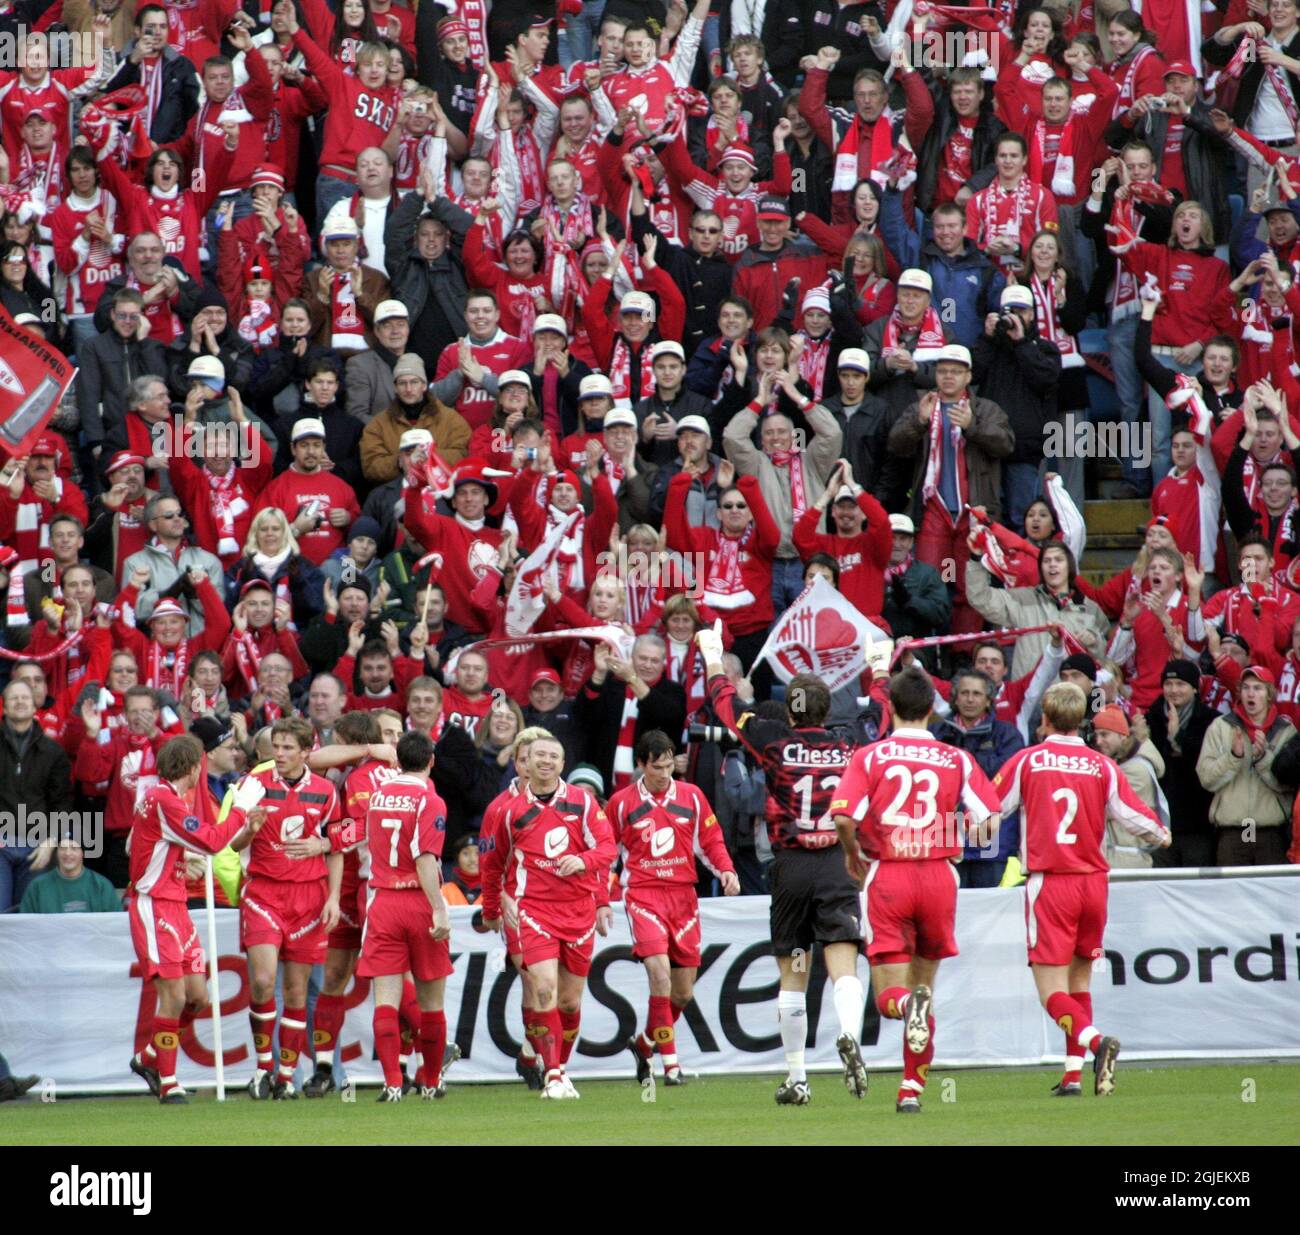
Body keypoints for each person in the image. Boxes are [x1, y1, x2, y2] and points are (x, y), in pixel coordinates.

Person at [699, 625, 874, 1105]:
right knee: (844, 963)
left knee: (794, 971)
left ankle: (797, 1077)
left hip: (791, 869)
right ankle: (850, 1036)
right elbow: (884, 714)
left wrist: (713, 655)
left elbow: (724, 706)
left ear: (790, 707)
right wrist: (879, 670)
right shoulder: (849, 745)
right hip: (837, 865)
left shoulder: (772, 739)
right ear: (827, 708)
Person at [833, 667, 1001, 1113]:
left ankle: (909, 1007)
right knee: (926, 985)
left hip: (889, 873)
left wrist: (853, 854)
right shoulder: (956, 758)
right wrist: (958, 839)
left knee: (892, 994)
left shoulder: (871, 756)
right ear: (931, 709)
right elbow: (991, 818)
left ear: (889, 707)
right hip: (939, 876)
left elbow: (844, 818)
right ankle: (911, 1091)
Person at [995, 682, 1170, 1097]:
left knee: (1050, 992)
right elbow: (1135, 816)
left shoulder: (1028, 761)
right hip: (1093, 885)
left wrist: (957, 829)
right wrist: (1161, 833)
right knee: (1080, 983)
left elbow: (989, 806)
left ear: (1045, 720)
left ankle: (1096, 1044)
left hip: (1051, 883)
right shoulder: (1102, 765)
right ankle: (1074, 1075)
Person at [124, 734, 265, 1103]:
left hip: (174, 903)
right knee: (172, 994)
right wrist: (239, 806)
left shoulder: (162, 797)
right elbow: (212, 841)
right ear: (194, 767)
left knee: (197, 996)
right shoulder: (164, 800)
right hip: (153, 905)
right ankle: (168, 1080)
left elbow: (148, 843)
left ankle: (150, 1057)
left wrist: (178, 864)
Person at [479, 733, 616, 1100]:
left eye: (553, 756)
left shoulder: (583, 803)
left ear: (562, 763)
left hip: (577, 910)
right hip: (532, 910)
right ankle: (552, 1073)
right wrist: (491, 908)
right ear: (525, 761)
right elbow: (493, 865)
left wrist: (583, 862)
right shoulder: (508, 811)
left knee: (570, 1002)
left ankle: (559, 1067)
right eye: (539, 755)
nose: (546, 761)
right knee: (542, 988)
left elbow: (608, 848)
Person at [606, 729, 739, 1089]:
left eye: (668, 767)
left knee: (682, 993)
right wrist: (602, 897)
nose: (664, 774)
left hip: (684, 898)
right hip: (644, 896)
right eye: (656, 767)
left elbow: (710, 841)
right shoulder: (620, 803)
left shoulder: (693, 797)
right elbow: (605, 854)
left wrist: (726, 870)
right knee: (660, 975)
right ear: (641, 765)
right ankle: (671, 1066)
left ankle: (645, 1043)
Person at [239, 717, 343, 1100]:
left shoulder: (327, 791)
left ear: (305, 751)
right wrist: (249, 829)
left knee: (297, 992)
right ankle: (263, 1068)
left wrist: (332, 896)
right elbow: (233, 843)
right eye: (275, 747)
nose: (278, 755)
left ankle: (286, 1077)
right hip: (264, 892)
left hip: (309, 898)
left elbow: (338, 846)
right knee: (265, 980)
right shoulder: (253, 784)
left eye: (286, 748)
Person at [355, 730, 453, 1102]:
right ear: (431, 760)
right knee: (431, 1003)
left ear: (397, 761)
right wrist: (439, 907)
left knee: (385, 999)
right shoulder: (430, 800)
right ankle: (430, 1080)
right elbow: (425, 858)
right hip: (417, 901)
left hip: (382, 901)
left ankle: (393, 1082)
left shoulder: (377, 795)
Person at [1195, 665, 1296, 865]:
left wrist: (1263, 760)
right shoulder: (1220, 726)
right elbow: (1206, 779)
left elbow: (1288, 784)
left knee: (1269, 896)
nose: (1251, 694)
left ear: (1269, 694)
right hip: (1232, 832)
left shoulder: (1286, 730)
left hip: (1271, 833)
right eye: (1246, 688)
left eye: (1258, 688)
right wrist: (1233, 757)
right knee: (1232, 895)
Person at [0, 679, 74, 911]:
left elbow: (63, 803)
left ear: (35, 707)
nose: (20, 701)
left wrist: (52, 841)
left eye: (25, 697)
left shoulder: (54, 753)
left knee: (28, 918)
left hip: (38, 847)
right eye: (14, 697)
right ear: (4, 706)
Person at [19, 836, 121, 913]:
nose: (68, 853)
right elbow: (25, 928)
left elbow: (114, 926)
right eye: (62, 848)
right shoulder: (37, 887)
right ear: (56, 853)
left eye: (74, 848)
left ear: (83, 853)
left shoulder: (101, 886)